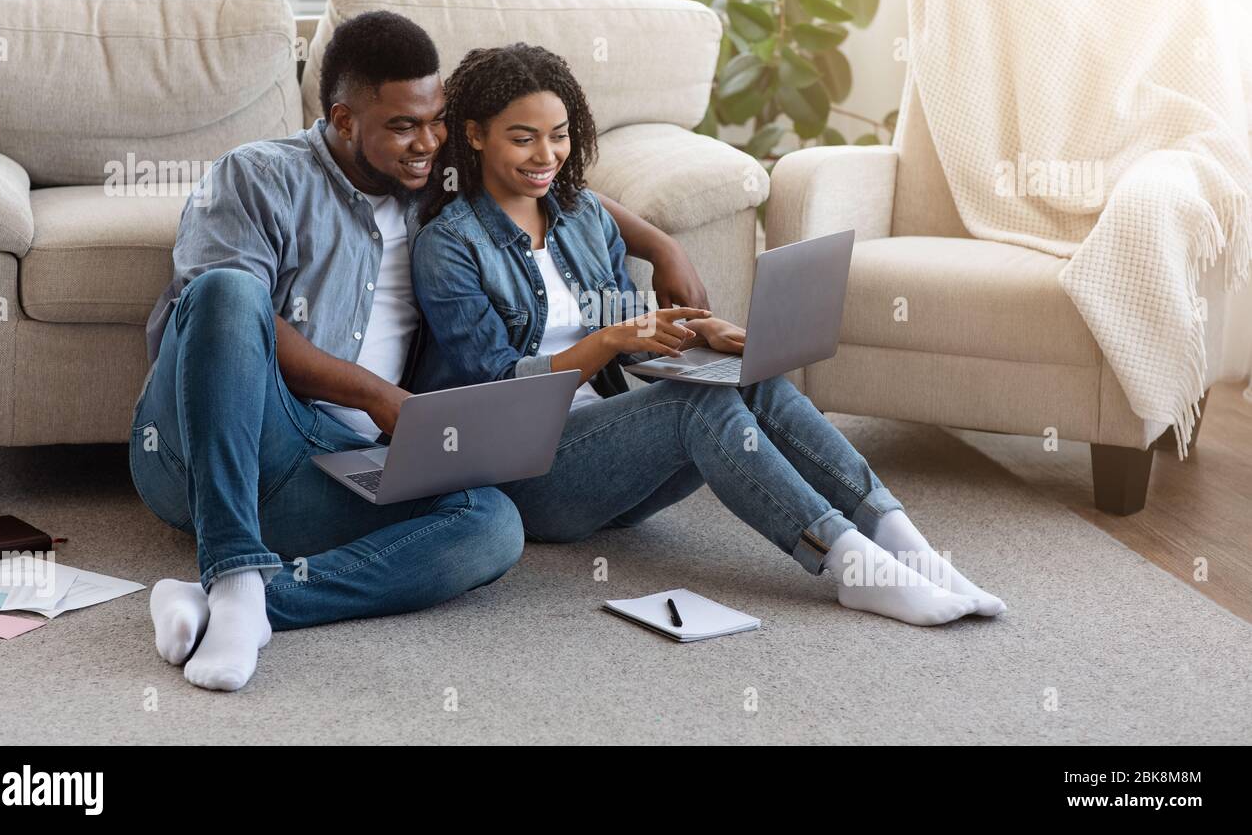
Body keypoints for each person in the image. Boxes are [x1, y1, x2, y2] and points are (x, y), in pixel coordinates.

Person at [131, 12, 713, 692]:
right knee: (227, 290)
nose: (427, 142)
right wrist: (381, 399)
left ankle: (255, 604)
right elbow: (222, 327)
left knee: (491, 524)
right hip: (212, 449)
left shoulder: (435, 186)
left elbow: (552, 187)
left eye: (436, 120)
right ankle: (229, 569)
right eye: (403, 126)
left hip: (330, 466)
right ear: (345, 122)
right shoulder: (258, 176)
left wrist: (661, 245)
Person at [411, 43, 1007, 626]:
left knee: (750, 381)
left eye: (560, 134)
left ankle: (903, 542)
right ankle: (847, 567)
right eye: (523, 137)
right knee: (694, 405)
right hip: (530, 478)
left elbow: (630, 324)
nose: (547, 155)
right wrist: (613, 340)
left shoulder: (585, 217)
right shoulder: (451, 244)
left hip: (615, 460)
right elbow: (497, 388)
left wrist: (699, 335)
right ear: (475, 134)